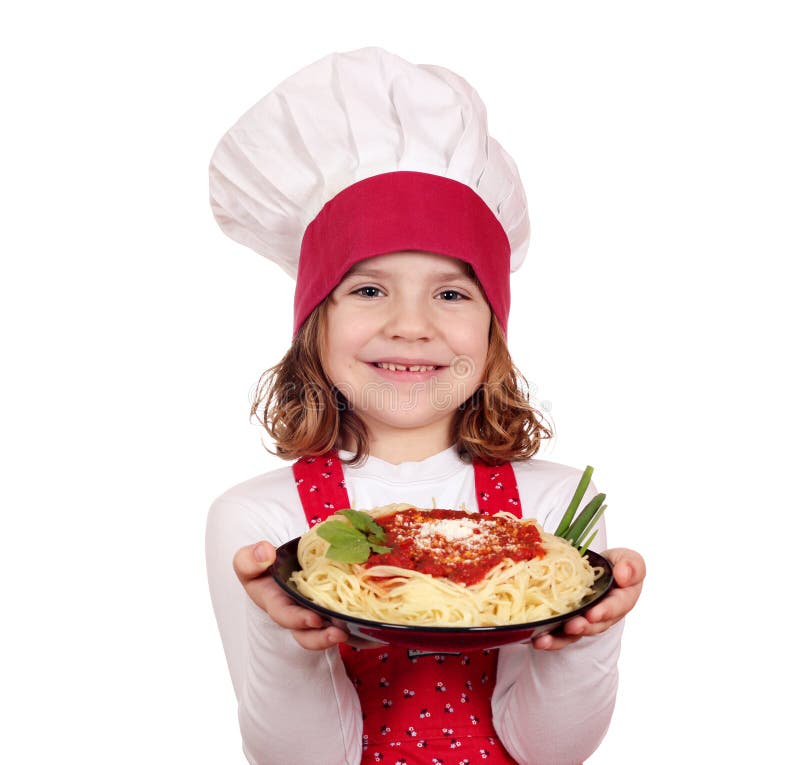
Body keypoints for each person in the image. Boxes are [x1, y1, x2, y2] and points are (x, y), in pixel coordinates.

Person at [205, 47, 645, 765]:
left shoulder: (557, 505)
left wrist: (587, 635)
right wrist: (283, 638)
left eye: (450, 292)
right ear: (314, 322)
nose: (411, 324)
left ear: (493, 332)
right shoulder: (257, 520)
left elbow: (548, 751)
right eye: (369, 289)